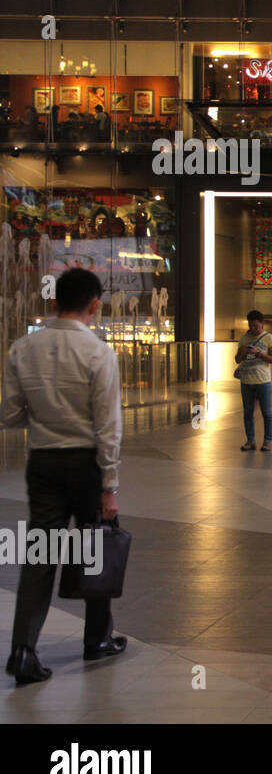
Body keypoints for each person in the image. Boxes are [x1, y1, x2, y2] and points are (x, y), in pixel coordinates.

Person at [2, 268, 127, 684]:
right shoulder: (98, 353)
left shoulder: (23, 348)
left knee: (40, 555)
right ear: (95, 305)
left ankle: (23, 649)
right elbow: (108, 426)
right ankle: (97, 640)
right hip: (86, 466)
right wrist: (110, 486)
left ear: (54, 301)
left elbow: (10, 413)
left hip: (43, 463)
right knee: (96, 547)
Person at [235, 309, 272, 451]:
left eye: (255, 326)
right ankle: (250, 440)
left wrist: (258, 353)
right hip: (246, 381)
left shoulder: (269, 338)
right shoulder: (244, 338)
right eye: (250, 325)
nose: (252, 328)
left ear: (261, 324)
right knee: (248, 412)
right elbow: (237, 359)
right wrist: (242, 351)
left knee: (266, 411)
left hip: (263, 381)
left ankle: (267, 441)